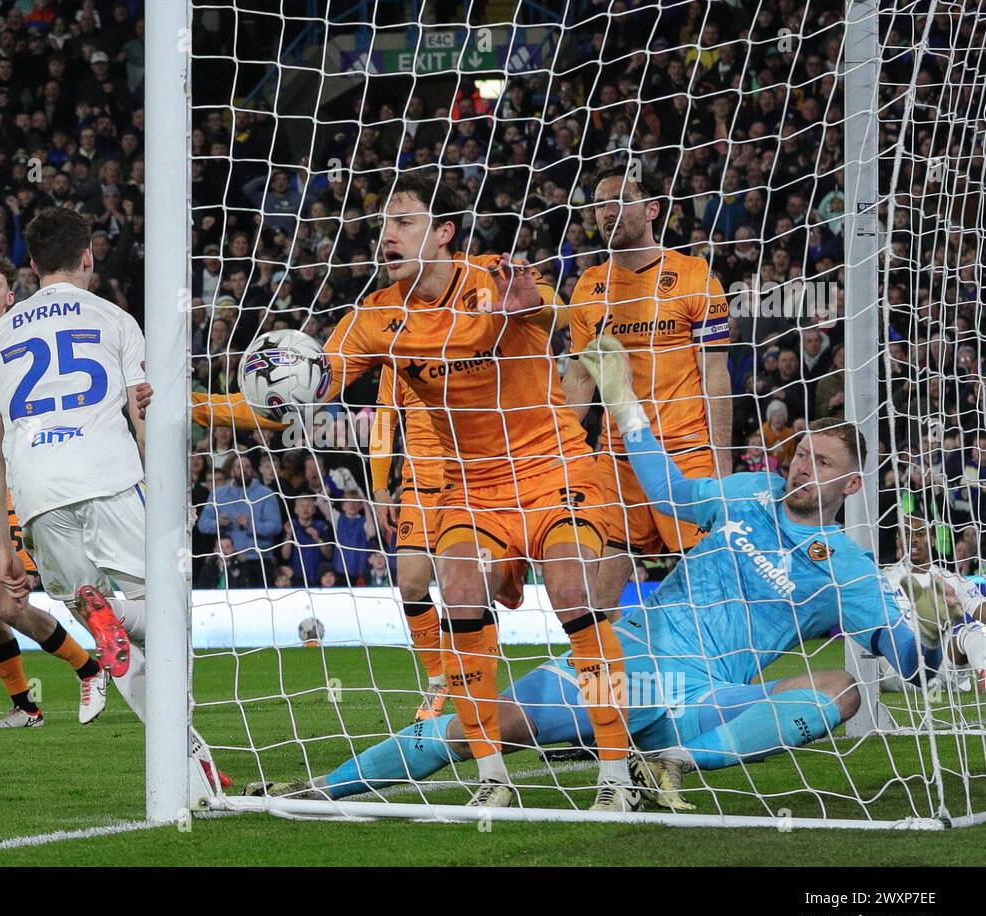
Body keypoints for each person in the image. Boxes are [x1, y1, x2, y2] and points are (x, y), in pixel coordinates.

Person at [247, 347, 937, 811]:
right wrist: (623, 401)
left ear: (849, 484)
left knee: (839, 687)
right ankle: (319, 790)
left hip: (707, 702)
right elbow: (667, 492)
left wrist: (947, 639)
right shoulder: (750, 491)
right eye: (801, 454)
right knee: (481, 725)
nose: (802, 468)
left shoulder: (847, 572)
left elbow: (906, 661)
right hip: (625, 662)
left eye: (820, 463)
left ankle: (667, 765)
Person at [195, 169, 632, 810]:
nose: (387, 237)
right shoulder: (374, 317)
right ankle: (491, 778)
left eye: (403, 222)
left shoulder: (497, 277)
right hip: (472, 487)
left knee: (573, 590)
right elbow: (301, 397)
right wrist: (196, 403)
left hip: (553, 469)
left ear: (444, 232)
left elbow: (567, 315)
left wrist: (531, 305)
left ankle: (618, 775)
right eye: (384, 226)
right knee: (453, 591)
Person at [0, 207, 229, 791]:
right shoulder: (116, 320)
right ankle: (190, 754)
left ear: (31, 266)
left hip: (36, 490)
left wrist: (6, 544)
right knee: (165, 620)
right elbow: (145, 412)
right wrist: (167, 493)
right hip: (108, 477)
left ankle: (192, 766)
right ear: (88, 257)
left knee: (113, 634)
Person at [0, 252, 120, 727]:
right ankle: (24, 706)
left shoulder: (26, 343)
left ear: (12, 296)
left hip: (19, 486)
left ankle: (91, 667)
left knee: (10, 603)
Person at [563, 165, 732, 621]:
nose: (606, 212)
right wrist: (556, 444)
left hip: (685, 453)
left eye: (619, 200)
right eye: (599, 203)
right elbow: (581, 378)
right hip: (618, 458)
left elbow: (715, 374)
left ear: (652, 209)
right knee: (591, 600)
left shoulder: (695, 275)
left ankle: (717, 689)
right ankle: (611, 689)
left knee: (712, 592)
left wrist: (722, 459)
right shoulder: (588, 285)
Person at [878, 512, 986, 693]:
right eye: (906, 534)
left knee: (973, 629)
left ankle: (984, 672)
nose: (913, 540)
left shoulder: (951, 580)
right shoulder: (883, 580)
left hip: (942, 669)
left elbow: (981, 609)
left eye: (920, 534)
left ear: (933, 539)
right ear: (898, 541)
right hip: (899, 668)